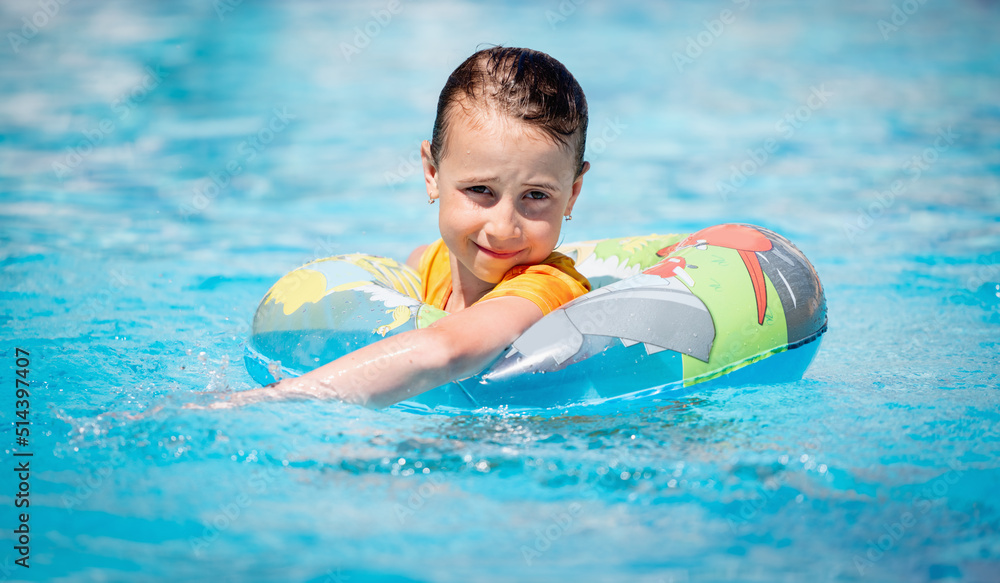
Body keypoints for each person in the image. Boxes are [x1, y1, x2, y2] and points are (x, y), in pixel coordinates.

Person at [216, 47, 591, 409]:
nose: (503, 227)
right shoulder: (430, 265)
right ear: (432, 174)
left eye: (537, 195)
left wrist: (275, 397)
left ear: (572, 194)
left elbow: (445, 350)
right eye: (480, 190)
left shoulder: (548, 286)